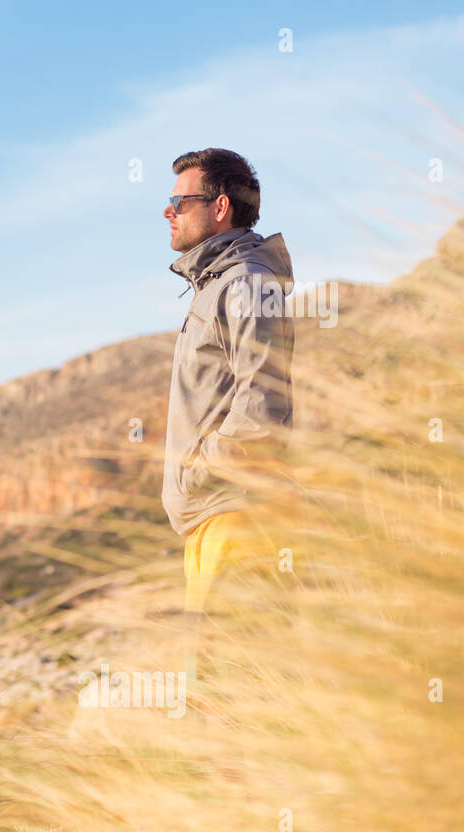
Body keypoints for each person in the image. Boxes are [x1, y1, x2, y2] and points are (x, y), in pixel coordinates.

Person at [161, 148, 298, 623]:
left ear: (220, 207)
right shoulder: (218, 287)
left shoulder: (247, 285)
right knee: (211, 682)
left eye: (179, 202)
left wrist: (201, 472)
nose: (168, 212)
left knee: (222, 684)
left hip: (234, 517)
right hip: (212, 519)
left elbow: (262, 406)